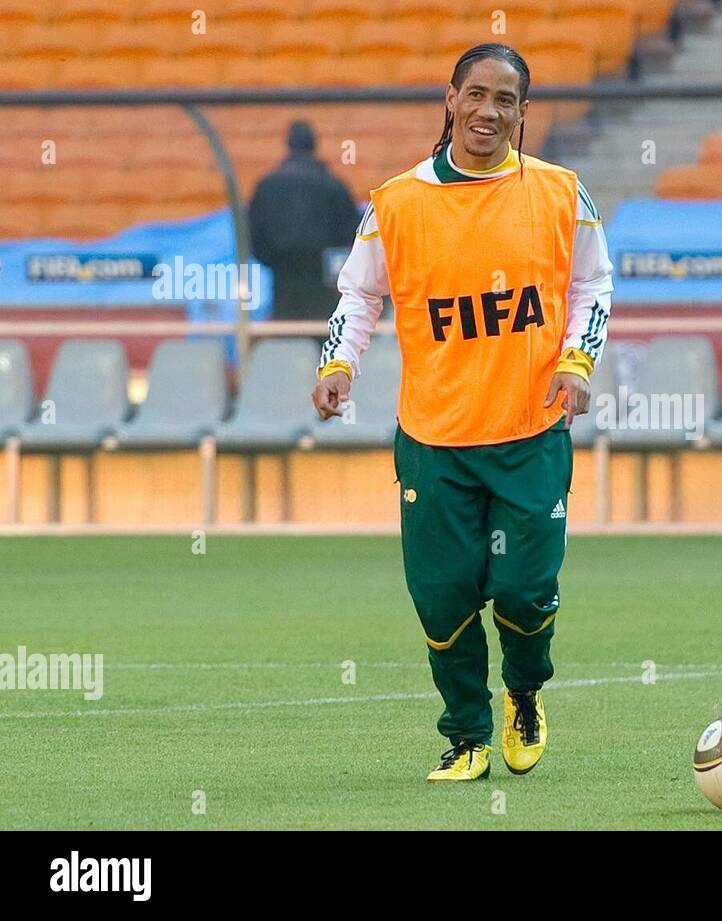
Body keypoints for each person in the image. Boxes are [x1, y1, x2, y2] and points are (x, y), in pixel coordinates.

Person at [312, 44, 614, 782]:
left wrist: (577, 361)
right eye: (475, 94)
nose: (488, 111)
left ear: (523, 112)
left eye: (504, 100)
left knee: (520, 589)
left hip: (530, 433)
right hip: (434, 439)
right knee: (443, 595)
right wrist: (338, 362)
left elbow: (593, 286)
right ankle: (467, 736)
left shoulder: (560, 192)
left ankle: (526, 692)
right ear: (450, 99)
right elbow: (359, 294)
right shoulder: (396, 202)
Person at [248, 120, 360, 321]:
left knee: (287, 341)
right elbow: (350, 236)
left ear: (289, 144)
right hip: (323, 286)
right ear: (313, 145)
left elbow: (254, 237)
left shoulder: (267, 187)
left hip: (282, 282)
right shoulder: (332, 185)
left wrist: (277, 261)